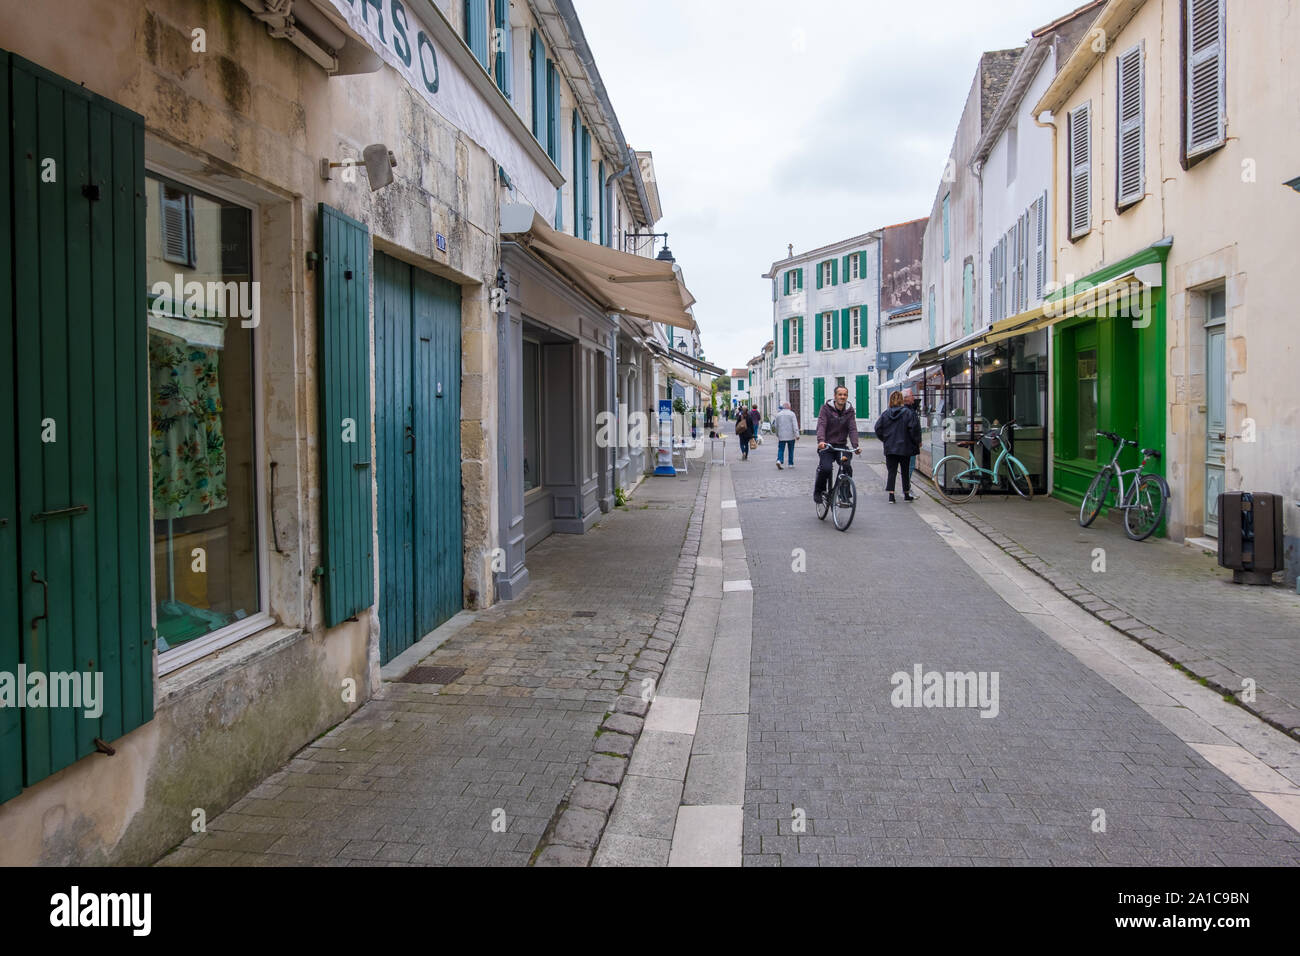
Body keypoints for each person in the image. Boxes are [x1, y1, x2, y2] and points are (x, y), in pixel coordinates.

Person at [814, 385, 861, 504]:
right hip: (827, 446)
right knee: (826, 468)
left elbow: (852, 429)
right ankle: (819, 491)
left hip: (841, 446)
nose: (842, 397)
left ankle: (844, 495)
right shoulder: (826, 409)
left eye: (845, 395)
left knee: (846, 466)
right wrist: (821, 441)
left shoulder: (849, 411)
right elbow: (822, 425)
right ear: (835, 396)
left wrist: (855, 445)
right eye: (840, 394)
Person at [875, 390, 923, 503]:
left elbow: (878, 428)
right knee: (905, 471)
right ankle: (906, 494)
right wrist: (916, 441)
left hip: (890, 448)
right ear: (901, 400)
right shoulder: (908, 413)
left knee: (892, 472)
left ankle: (891, 496)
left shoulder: (885, 414)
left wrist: (885, 439)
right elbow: (913, 430)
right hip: (905, 447)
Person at [772, 401, 799, 469]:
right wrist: (797, 434)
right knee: (791, 449)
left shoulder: (778, 414)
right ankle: (790, 463)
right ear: (789, 407)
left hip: (781, 435)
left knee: (781, 449)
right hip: (791, 435)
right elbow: (795, 425)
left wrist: (777, 434)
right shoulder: (792, 414)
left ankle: (779, 460)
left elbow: (776, 425)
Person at [902, 388, 918, 483]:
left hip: (907, 443)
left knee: (908, 467)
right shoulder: (908, 412)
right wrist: (917, 441)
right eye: (912, 395)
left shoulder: (909, 409)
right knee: (909, 467)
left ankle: (907, 488)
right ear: (906, 398)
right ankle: (907, 488)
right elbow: (913, 428)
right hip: (909, 444)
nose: (914, 397)